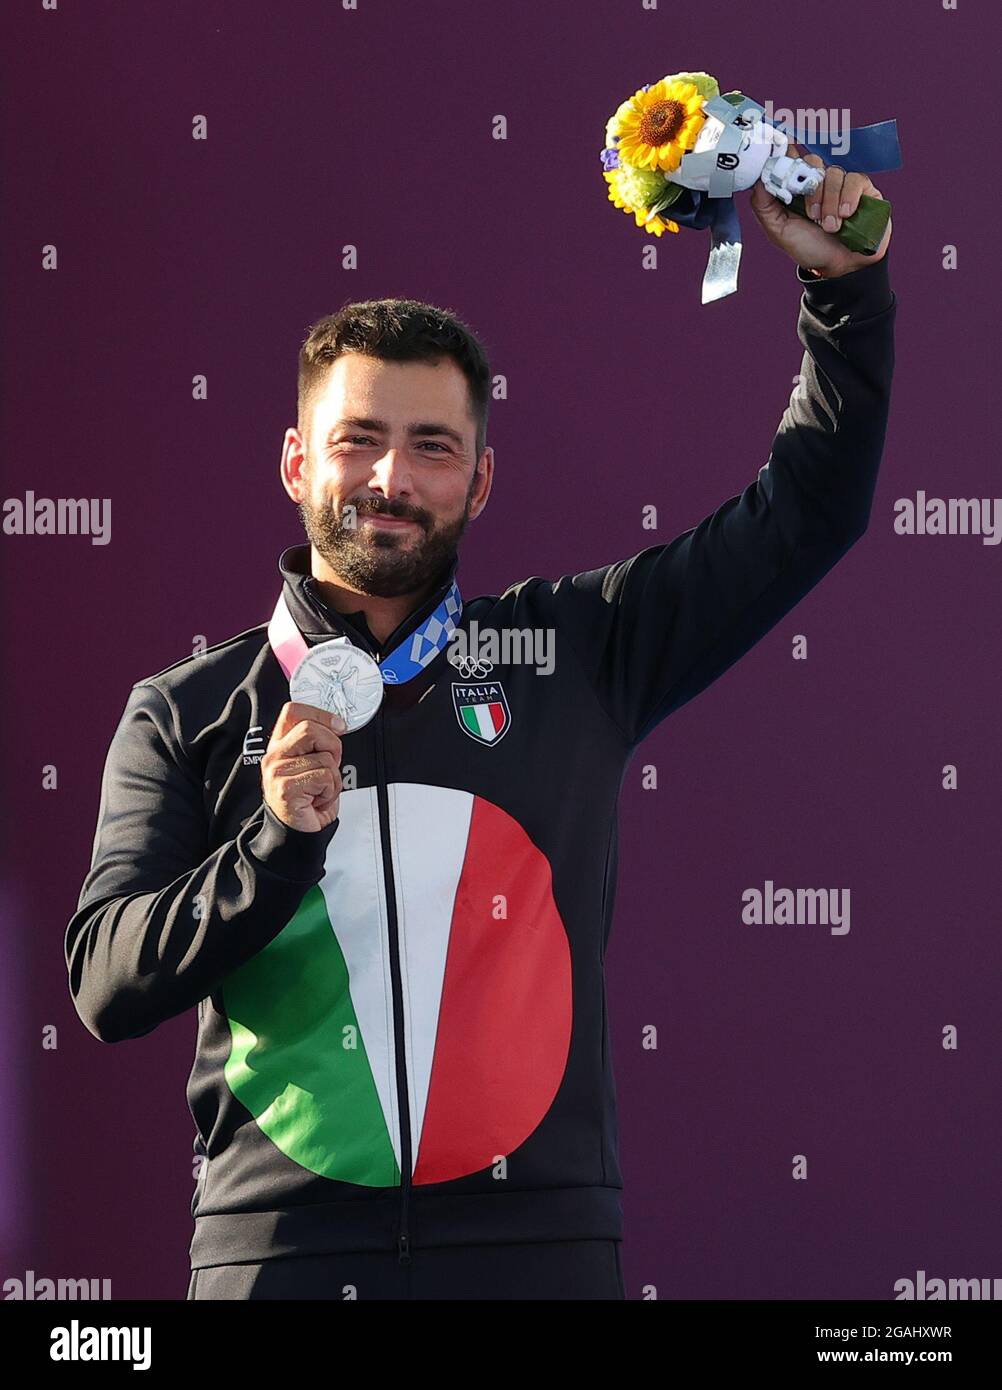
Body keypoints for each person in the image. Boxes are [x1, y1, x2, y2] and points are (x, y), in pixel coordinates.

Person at [65, 152, 895, 1300]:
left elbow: (808, 512)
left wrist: (844, 296)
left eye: (433, 447)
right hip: (281, 1259)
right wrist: (272, 846)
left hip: (535, 1256)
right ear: (297, 461)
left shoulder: (573, 653)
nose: (391, 477)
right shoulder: (187, 710)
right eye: (358, 439)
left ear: (483, 481)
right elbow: (104, 984)